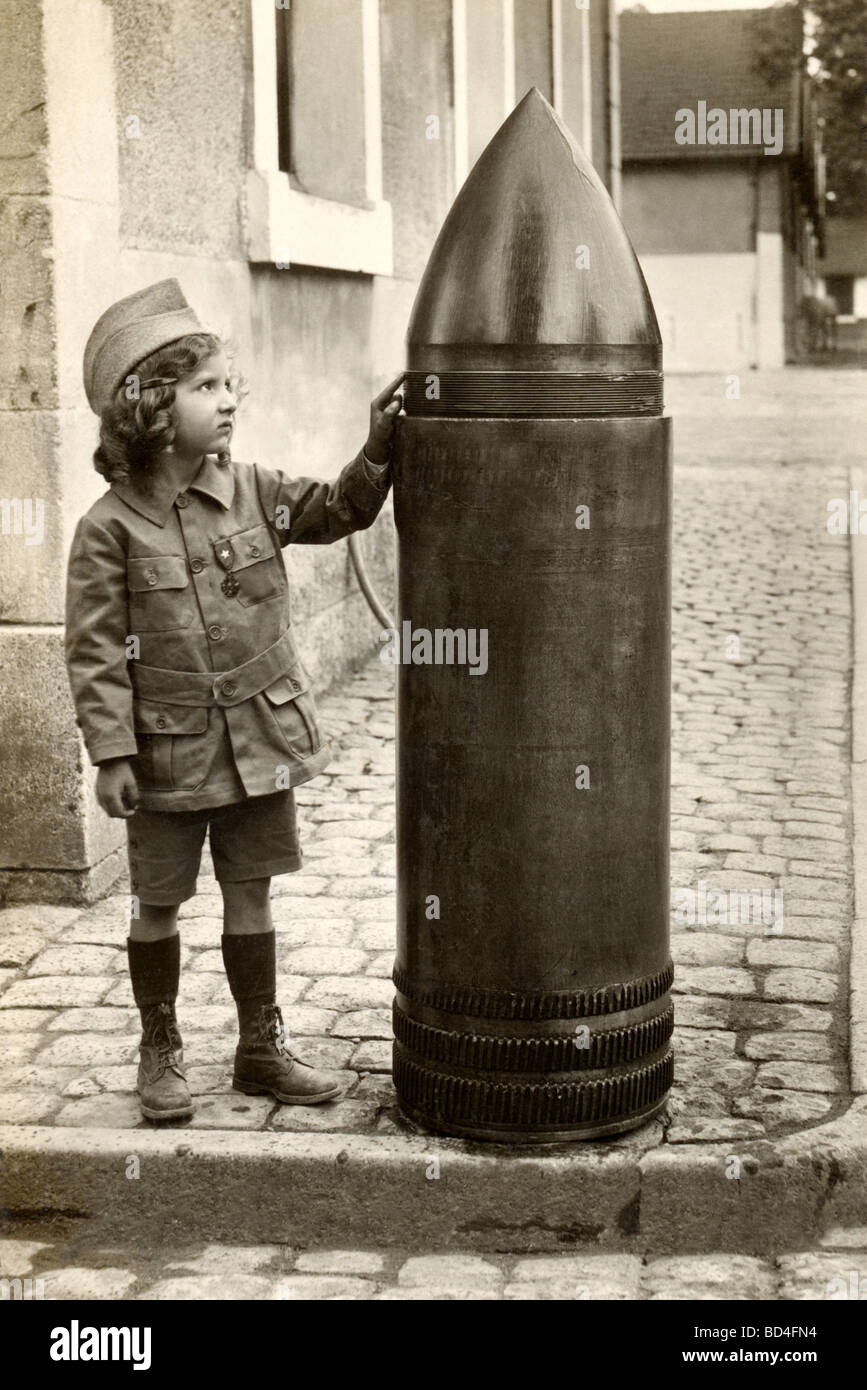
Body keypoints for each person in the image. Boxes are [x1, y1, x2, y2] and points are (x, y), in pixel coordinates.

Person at [65, 278, 402, 1122]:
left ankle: (260, 1045)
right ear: (147, 407)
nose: (227, 401)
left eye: (227, 383)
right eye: (205, 387)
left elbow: (336, 511)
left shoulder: (252, 489)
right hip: (166, 753)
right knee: (158, 903)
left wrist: (379, 451)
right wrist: (111, 753)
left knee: (252, 890)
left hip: (258, 742)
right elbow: (97, 651)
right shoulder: (108, 529)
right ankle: (161, 1046)